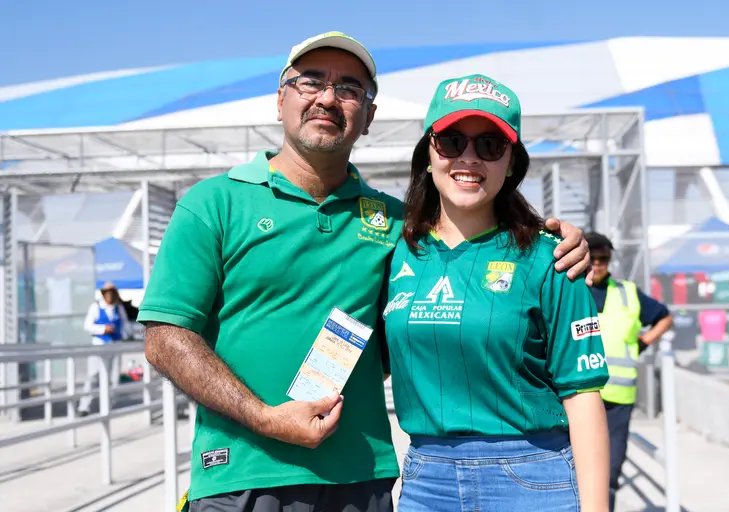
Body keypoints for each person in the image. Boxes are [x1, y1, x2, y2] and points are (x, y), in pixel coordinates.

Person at [138, 32, 593, 512]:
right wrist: (265, 417)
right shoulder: (213, 203)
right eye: (311, 81)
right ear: (280, 100)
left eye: (349, 88)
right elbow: (164, 338)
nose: (328, 98)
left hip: (361, 481)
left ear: (369, 116)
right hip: (241, 477)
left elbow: (466, 255)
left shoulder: (400, 225)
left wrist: (555, 238)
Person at [382, 74, 611, 512]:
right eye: (451, 141)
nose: (468, 158)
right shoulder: (394, 253)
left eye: (490, 145)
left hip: (534, 479)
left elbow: (582, 396)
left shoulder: (553, 258)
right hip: (426, 483)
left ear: (510, 164)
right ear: (428, 153)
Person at [585, 232, 674, 512]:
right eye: (592, 258)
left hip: (618, 398)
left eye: (603, 259)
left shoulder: (627, 293)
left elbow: (664, 317)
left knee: (610, 470)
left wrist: (645, 341)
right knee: (579, 467)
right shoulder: (570, 289)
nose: (597, 264)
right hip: (579, 395)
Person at [78, 281, 131, 416]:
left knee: (114, 378)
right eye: (107, 293)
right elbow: (87, 326)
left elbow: (125, 324)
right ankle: (84, 406)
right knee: (93, 375)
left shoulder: (119, 308)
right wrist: (103, 329)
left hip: (115, 344)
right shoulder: (96, 307)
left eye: (112, 293)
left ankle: (108, 406)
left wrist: (125, 335)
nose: (110, 295)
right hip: (99, 344)